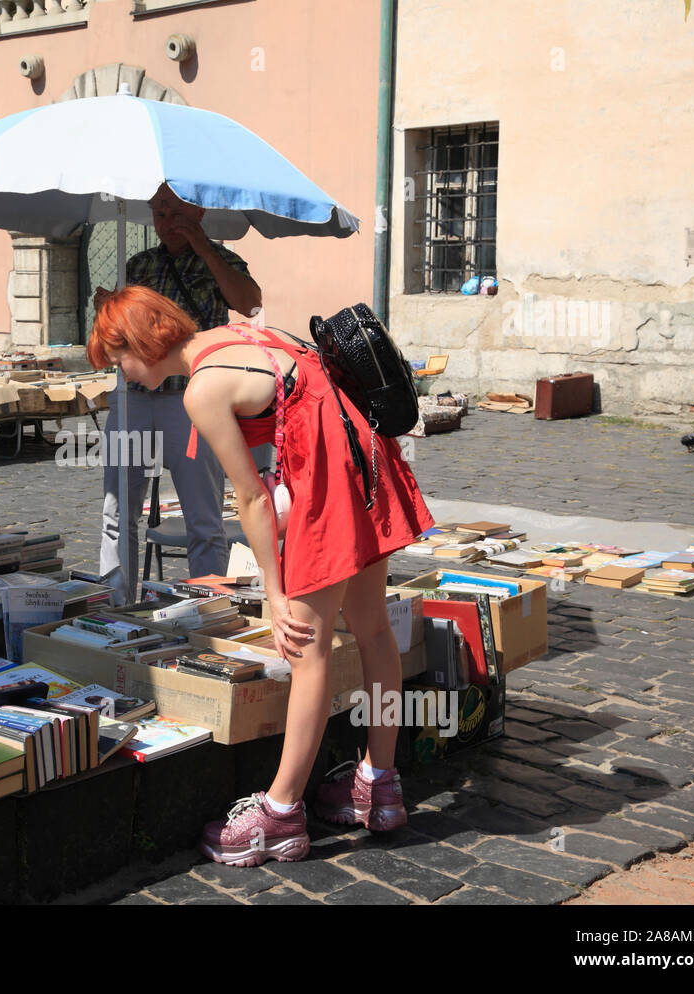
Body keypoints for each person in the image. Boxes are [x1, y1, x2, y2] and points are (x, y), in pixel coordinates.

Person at [88, 286, 435, 867]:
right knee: (375, 633)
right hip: (367, 460)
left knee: (306, 648)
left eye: (117, 362)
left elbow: (248, 497)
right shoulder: (240, 334)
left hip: (330, 484)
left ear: (139, 343)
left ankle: (279, 812)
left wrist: (274, 592)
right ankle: (381, 782)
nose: (121, 377)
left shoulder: (202, 388)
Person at [95, 182, 263, 605]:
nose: (166, 223)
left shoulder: (222, 260)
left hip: (192, 400)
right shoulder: (140, 265)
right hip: (134, 398)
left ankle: (209, 608)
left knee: (202, 516)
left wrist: (202, 246)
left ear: (199, 214)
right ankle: (117, 604)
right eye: (159, 213)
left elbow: (251, 305)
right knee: (117, 512)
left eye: (176, 213)